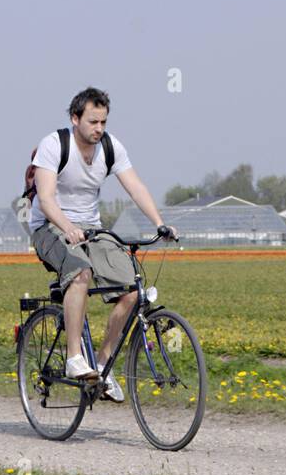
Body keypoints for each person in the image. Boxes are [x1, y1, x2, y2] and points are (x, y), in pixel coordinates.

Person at [29, 87, 178, 401]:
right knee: (80, 273)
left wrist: (159, 223)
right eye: (93, 122)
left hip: (92, 230)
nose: (99, 129)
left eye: (103, 122)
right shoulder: (54, 145)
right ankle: (73, 358)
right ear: (75, 118)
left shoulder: (111, 148)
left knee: (133, 291)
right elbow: (45, 199)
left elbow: (135, 186)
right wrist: (67, 227)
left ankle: (101, 364)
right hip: (50, 227)